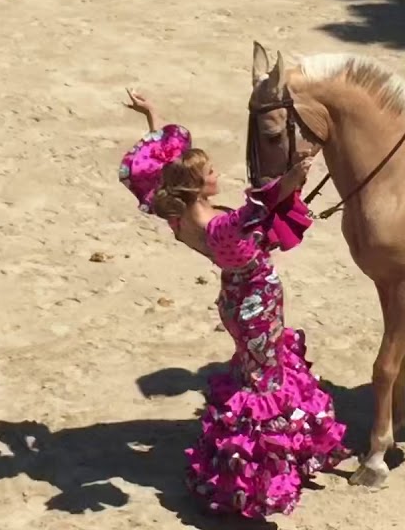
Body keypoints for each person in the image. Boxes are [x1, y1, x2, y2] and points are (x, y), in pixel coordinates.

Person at [119, 89, 349, 519]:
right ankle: (255, 484)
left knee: (259, 371)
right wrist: (297, 171)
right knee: (263, 385)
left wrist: (153, 114)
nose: (216, 173)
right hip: (255, 303)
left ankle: (281, 460)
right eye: (210, 171)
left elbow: (161, 168)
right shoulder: (221, 225)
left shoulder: (177, 215)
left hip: (236, 300)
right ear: (197, 184)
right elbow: (265, 201)